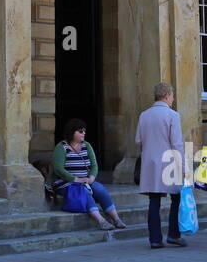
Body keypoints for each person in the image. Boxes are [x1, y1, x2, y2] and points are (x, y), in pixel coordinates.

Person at [51, 119, 126, 231]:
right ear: (72, 132)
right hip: (67, 183)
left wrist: (92, 177)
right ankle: (101, 221)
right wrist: (76, 179)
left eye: (84, 131)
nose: (84, 133)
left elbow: (94, 165)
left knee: (101, 189)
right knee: (84, 192)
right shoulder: (61, 147)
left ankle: (116, 219)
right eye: (80, 131)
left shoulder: (87, 145)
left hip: (86, 181)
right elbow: (58, 169)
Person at [137, 81, 187, 248]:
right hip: (169, 163)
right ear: (166, 96)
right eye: (172, 96)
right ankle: (173, 234)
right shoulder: (173, 115)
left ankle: (155, 239)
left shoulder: (144, 115)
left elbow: (139, 139)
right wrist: (184, 167)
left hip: (150, 163)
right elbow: (177, 144)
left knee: (154, 201)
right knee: (176, 198)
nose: (173, 99)